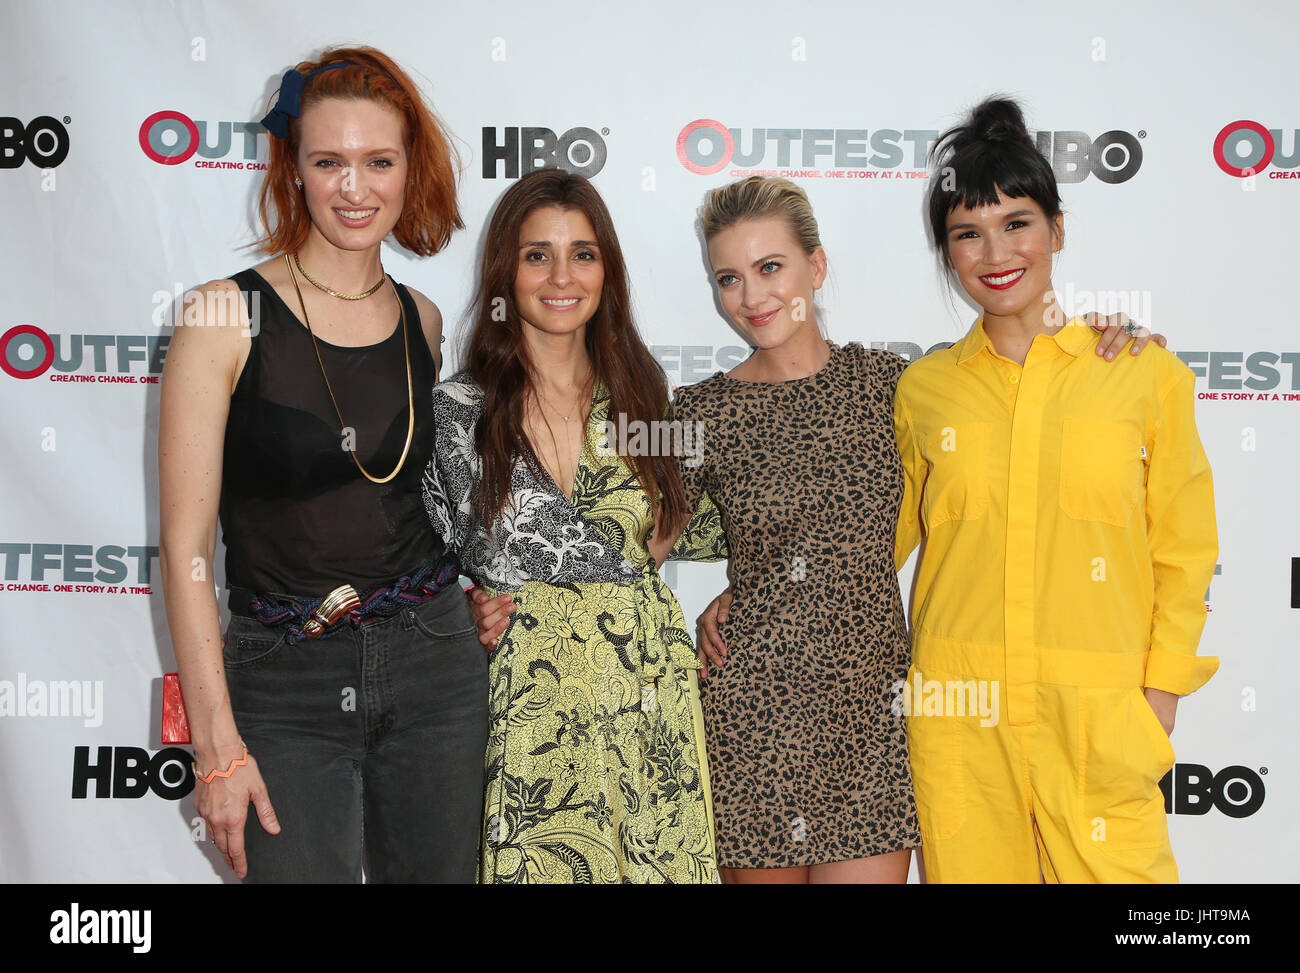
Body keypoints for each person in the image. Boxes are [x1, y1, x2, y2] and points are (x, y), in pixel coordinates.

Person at [657, 175, 1163, 885]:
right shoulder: (699, 413)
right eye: (729, 278)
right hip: (752, 713)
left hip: (873, 715)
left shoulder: (901, 386)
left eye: (771, 267)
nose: (752, 296)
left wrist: (1114, 339)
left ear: (817, 266)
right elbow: (635, 543)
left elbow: (1015, 439)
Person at [158, 46, 487, 883]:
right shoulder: (221, 315)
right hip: (283, 678)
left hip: (433, 663)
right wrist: (217, 744)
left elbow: (428, 495)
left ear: (410, 171)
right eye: (328, 161)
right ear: (293, 169)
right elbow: (187, 549)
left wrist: (489, 581)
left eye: (378, 162)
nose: (354, 187)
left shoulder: (423, 316)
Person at [890, 96, 1217, 882]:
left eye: (1017, 222)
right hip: (961, 721)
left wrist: (1158, 695)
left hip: (1098, 718)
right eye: (967, 232)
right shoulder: (924, 390)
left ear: (1057, 230)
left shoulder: (1142, 371)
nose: (994, 250)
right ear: (946, 251)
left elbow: (1184, 548)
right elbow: (873, 540)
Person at [421, 167, 723, 884]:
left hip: (646, 701)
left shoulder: (645, 398)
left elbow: (723, 519)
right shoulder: (456, 411)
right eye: (537, 254)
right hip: (527, 715)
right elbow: (403, 561)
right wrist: (459, 610)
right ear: (506, 271)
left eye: (583, 253)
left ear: (606, 271)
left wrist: (749, 584)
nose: (562, 276)